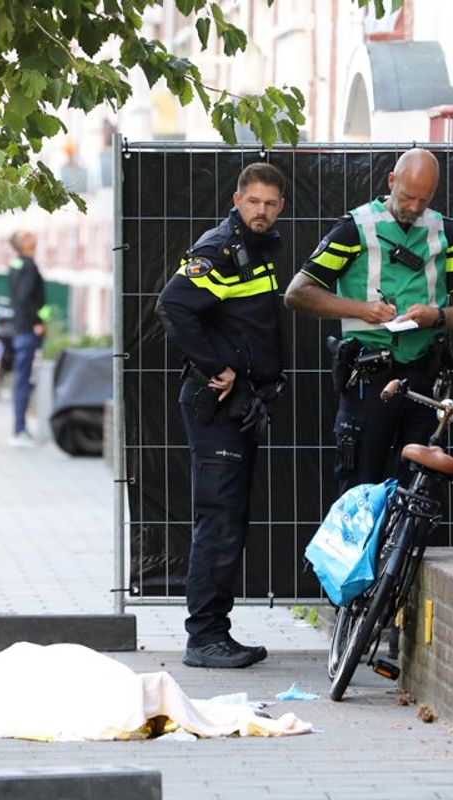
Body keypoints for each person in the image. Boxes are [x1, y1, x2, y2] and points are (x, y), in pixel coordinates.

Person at [285, 148, 453, 495]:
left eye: (424, 200)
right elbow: (297, 293)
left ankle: (404, 549)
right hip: (371, 380)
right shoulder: (355, 229)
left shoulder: (442, 232)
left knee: (417, 490)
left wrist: (437, 316)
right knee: (360, 488)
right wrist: (361, 309)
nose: (414, 208)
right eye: (407, 197)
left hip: (423, 379)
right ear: (391, 181)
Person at [157, 163, 287, 669]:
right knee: (218, 522)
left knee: (228, 520)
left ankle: (215, 633)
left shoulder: (257, 249)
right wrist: (220, 366)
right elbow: (173, 305)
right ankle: (205, 638)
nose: (261, 211)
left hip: (240, 406)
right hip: (215, 405)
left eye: (270, 203)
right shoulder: (220, 249)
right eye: (253, 201)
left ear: (280, 207)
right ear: (237, 200)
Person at [7, 231, 47, 448]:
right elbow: (24, 297)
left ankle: (20, 427)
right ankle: (19, 430)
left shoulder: (15, 265)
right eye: (27, 235)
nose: (33, 235)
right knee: (25, 379)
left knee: (22, 378)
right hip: (29, 331)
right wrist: (36, 321)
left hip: (20, 328)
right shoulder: (29, 266)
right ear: (23, 244)